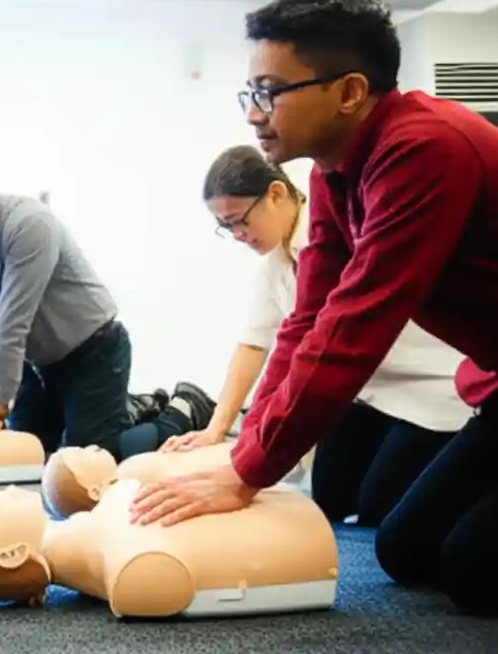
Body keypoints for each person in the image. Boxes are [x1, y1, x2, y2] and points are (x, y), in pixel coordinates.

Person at [129, 0, 498, 617]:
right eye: (251, 93)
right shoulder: (334, 170)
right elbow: (307, 320)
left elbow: (355, 328)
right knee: (405, 549)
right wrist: (244, 447)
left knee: (478, 574)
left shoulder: (424, 148)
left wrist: (246, 472)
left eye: (270, 92)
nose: (254, 114)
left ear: (350, 92)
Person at [160, 144, 470, 526]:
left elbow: (307, 344)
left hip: (429, 388)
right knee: (330, 498)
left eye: (240, 220)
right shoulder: (274, 261)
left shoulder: (331, 238)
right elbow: (254, 343)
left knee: (378, 508)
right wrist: (217, 429)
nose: (238, 234)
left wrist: (254, 449)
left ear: (276, 194)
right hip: (366, 394)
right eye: (226, 227)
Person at [0, 155, 212, 459]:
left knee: (91, 458)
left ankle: (185, 407)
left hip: (93, 350)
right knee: (27, 453)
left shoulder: (28, 224)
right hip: (38, 363)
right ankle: (128, 408)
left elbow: (11, 324)